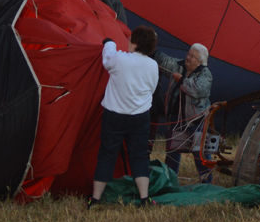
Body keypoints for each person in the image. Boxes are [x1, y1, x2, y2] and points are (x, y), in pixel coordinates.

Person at [89, 26, 160, 208]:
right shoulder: (153, 65)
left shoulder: (120, 59)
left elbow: (107, 58)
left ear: (135, 43)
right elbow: (151, 89)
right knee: (139, 156)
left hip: (114, 115)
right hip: (140, 116)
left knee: (107, 155)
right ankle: (144, 199)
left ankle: (95, 200)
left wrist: (109, 42)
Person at [156, 43, 214, 183]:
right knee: (172, 153)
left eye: (192, 56)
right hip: (175, 118)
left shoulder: (206, 75)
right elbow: (164, 61)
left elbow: (197, 89)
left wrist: (181, 80)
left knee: (200, 154)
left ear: (200, 61)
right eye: (188, 54)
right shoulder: (179, 65)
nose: (188, 57)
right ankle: (170, 181)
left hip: (196, 121)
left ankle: (207, 183)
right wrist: (151, 50)